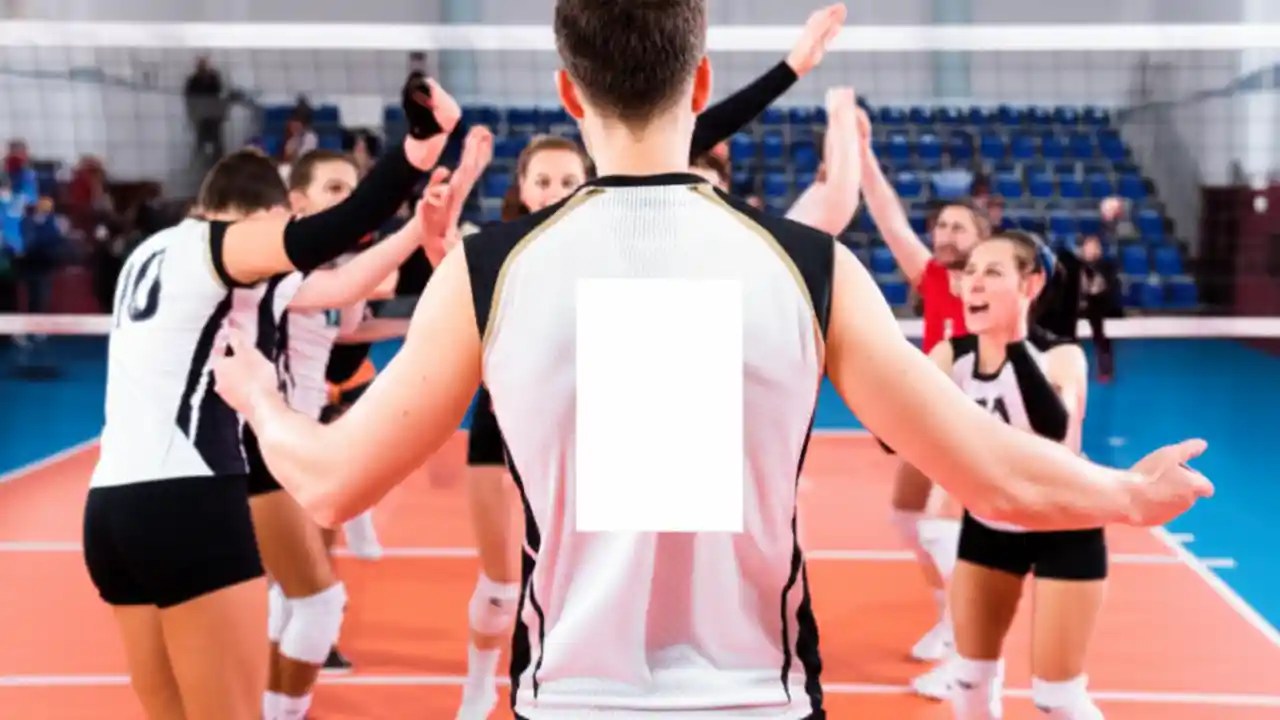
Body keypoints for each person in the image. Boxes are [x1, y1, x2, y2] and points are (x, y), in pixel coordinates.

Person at [214, 3, 1211, 718]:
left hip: (569, 694)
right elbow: (991, 475)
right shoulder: (808, 265)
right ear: (698, 84)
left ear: (567, 93)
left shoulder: (489, 270)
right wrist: (1123, 494)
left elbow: (334, 485)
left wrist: (258, 393)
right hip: (759, 694)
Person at [456, 9, 850, 718]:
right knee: (522, 572)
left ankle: (643, 654)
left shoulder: (612, 249)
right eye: (542, 180)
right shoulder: (499, 262)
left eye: (565, 177)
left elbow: (676, 133)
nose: (554, 189)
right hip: (516, 423)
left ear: (572, 98)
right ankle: (486, 679)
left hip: (611, 680)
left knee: (635, 549)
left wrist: (794, 69)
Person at [80, 73, 459, 720]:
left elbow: (338, 287)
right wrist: (418, 149)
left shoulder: (152, 256)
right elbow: (326, 235)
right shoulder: (217, 248)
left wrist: (416, 233)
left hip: (110, 512)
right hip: (189, 502)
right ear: (257, 218)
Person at [247, 145, 482, 720]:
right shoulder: (284, 269)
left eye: (351, 191)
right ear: (298, 201)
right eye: (333, 190)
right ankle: (279, 700)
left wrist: (427, 326)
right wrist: (433, 220)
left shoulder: (331, 270)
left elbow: (352, 325)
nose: (348, 202)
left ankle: (281, 688)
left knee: (305, 579)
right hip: (269, 443)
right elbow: (355, 287)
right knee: (307, 593)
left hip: (305, 435)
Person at [940, 231, 1107, 719]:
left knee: (1058, 698)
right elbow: (895, 435)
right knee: (968, 679)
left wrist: (1011, 342)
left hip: (1065, 525)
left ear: (1030, 285)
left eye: (993, 272)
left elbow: (1054, 429)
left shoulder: (1061, 356)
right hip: (991, 525)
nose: (974, 282)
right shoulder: (953, 357)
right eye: (970, 271)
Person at [854, 106, 993, 681]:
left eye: (959, 227)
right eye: (941, 226)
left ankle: (966, 656)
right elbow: (888, 217)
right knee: (907, 516)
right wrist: (861, 150)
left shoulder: (995, 283)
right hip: (929, 415)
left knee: (942, 526)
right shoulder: (932, 277)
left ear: (983, 239)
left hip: (976, 420)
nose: (945, 235)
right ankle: (945, 623)